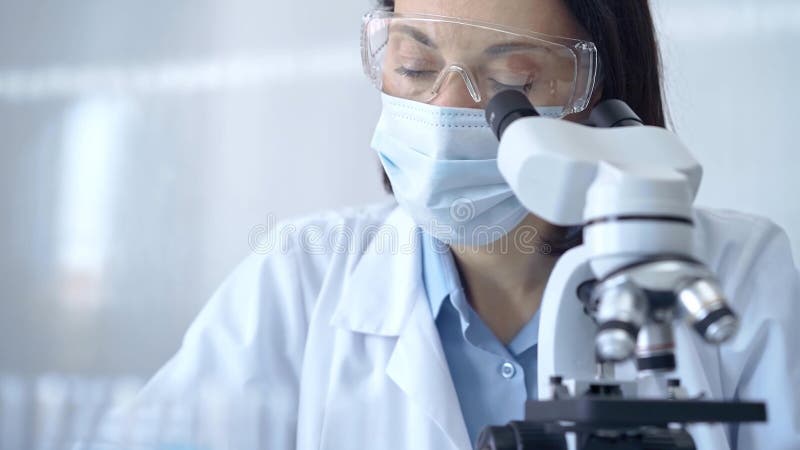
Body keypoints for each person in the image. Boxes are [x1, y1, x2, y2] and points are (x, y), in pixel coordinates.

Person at [93, 1, 800, 449]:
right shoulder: (301, 276)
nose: (445, 109)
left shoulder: (739, 270)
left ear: (601, 99)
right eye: (413, 65)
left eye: (510, 85)